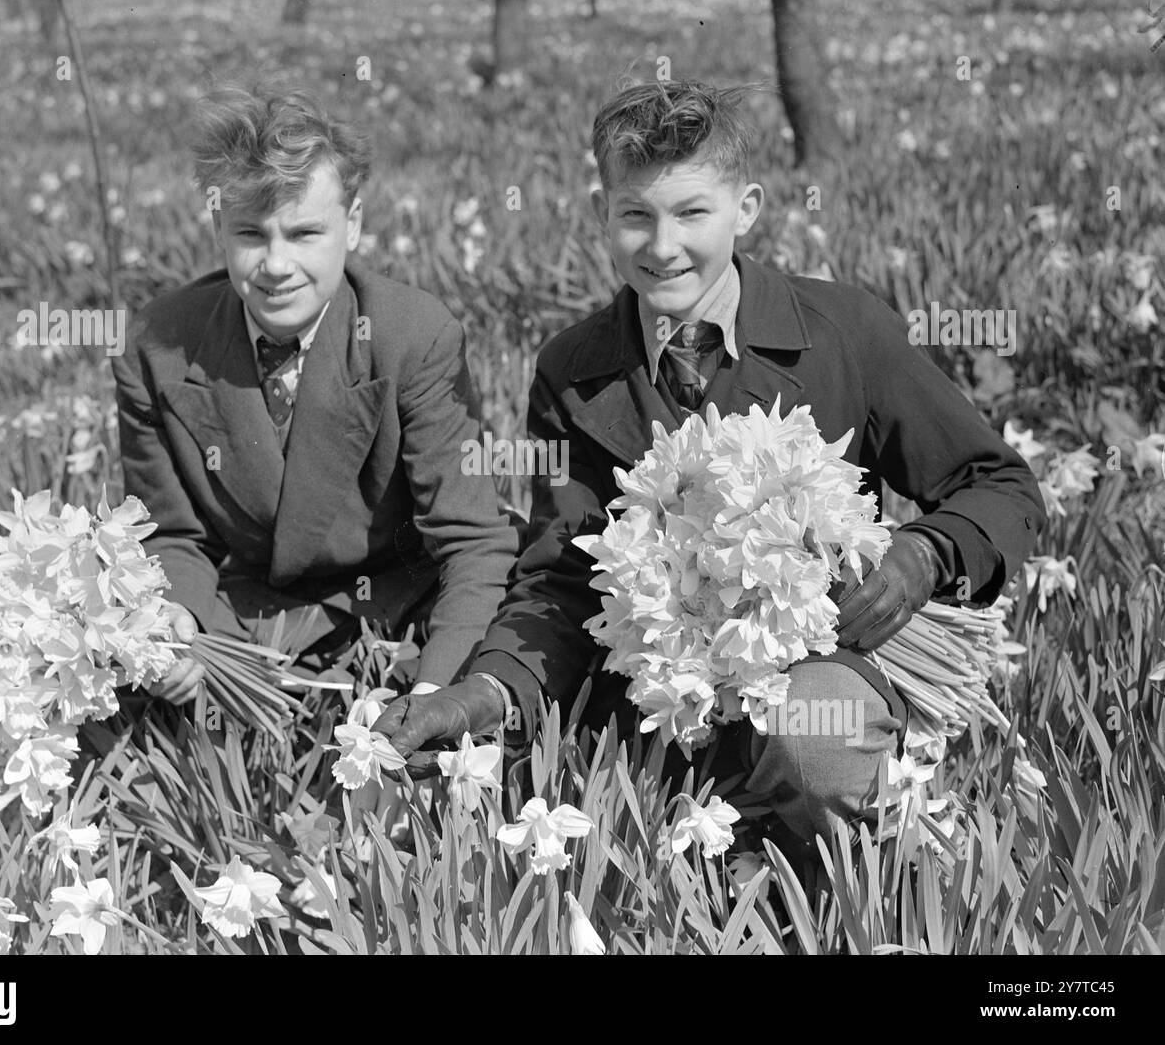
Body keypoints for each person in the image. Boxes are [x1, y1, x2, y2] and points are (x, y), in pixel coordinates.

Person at [373, 80, 1045, 854]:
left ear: (747, 208)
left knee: (814, 742)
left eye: (693, 213)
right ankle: (744, 839)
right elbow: (562, 576)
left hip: (821, 662)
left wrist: (926, 554)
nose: (663, 247)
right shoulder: (573, 369)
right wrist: (483, 694)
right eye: (635, 215)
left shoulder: (842, 332)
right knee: (535, 800)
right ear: (601, 214)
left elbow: (1000, 485)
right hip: (664, 688)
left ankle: (882, 865)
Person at [113, 82, 519, 705]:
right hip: (242, 621)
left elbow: (470, 540)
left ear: (352, 226)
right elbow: (168, 532)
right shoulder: (159, 346)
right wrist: (177, 619)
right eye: (251, 234)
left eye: (304, 234)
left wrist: (435, 696)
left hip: (393, 609)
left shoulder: (412, 336)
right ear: (219, 225)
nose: (276, 266)